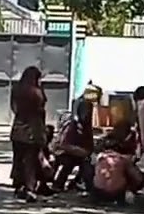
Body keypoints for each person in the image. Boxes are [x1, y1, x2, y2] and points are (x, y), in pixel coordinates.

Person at [9, 67, 46, 202]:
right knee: (30, 162)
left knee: (18, 159)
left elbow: (13, 108)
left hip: (18, 129)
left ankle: (19, 186)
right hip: (32, 130)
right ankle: (30, 188)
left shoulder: (17, 90)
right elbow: (41, 111)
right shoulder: (37, 93)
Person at [52, 91, 96, 192]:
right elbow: (63, 145)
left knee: (87, 163)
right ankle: (59, 183)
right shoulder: (72, 127)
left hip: (81, 153)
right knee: (69, 161)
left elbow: (89, 146)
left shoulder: (86, 128)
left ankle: (80, 183)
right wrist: (78, 151)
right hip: (68, 153)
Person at [91, 127, 144, 205]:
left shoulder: (99, 157)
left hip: (98, 192)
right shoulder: (122, 160)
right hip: (115, 194)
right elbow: (138, 179)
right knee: (128, 173)